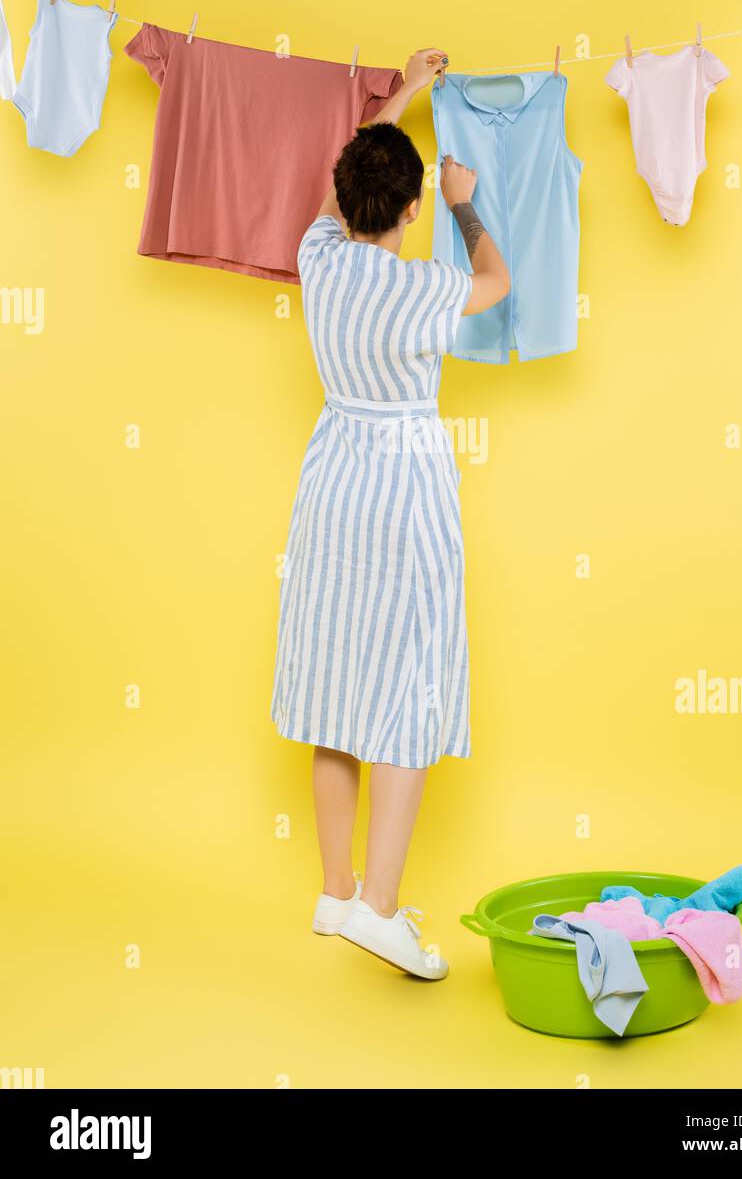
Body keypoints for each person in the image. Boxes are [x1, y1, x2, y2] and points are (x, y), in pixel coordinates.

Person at [270, 48, 509, 979]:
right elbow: (497, 286)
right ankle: (377, 907)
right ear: (407, 208)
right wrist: (461, 203)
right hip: (404, 489)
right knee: (409, 687)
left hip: (331, 483)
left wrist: (399, 94)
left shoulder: (317, 259)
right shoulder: (423, 288)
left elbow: (343, 185)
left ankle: (334, 893)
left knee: (334, 687)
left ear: (346, 198)